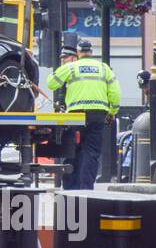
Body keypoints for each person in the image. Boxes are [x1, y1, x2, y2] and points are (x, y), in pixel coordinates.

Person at [45, 39, 120, 189]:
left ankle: (70, 186)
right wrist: (112, 112)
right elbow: (115, 93)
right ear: (91, 52)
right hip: (98, 115)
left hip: (76, 116)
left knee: (72, 150)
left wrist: (63, 68)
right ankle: (86, 187)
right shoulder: (104, 68)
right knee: (91, 153)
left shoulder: (72, 67)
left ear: (78, 53)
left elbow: (51, 83)